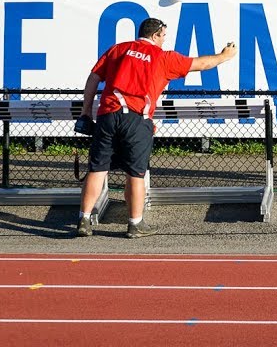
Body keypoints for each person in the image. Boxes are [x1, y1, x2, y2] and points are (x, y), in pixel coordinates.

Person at [75, 18, 237, 238]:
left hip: (108, 115)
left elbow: (93, 78)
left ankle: (84, 220)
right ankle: (135, 224)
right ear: (155, 35)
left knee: (97, 169)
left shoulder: (118, 49)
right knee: (135, 173)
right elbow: (200, 64)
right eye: (163, 36)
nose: (164, 41)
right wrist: (224, 56)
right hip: (137, 119)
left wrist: (86, 112)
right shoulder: (163, 57)